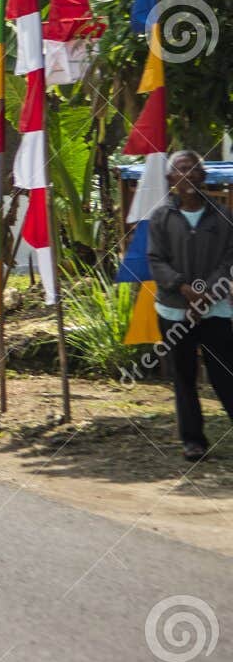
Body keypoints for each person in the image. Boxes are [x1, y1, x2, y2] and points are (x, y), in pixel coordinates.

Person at [146, 150, 233, 460]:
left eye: (195, 170)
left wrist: (207, 293)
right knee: (183, 376)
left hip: (216, 309)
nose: (189, 176)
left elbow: (228, 258)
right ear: (171, 180)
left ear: (204, 177)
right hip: (174, 310)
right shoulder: (160, 217)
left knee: (225, 372)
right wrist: (183, 288)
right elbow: (156, 260)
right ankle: (193, 441)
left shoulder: (223, 216)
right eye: (181, 171)